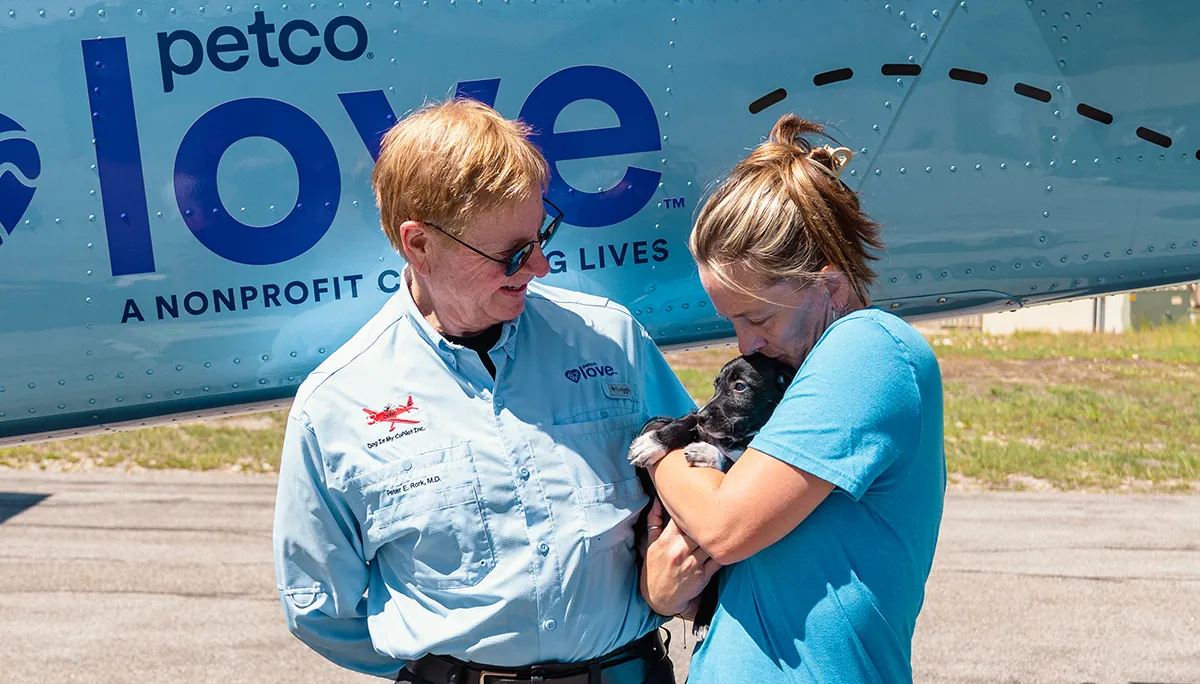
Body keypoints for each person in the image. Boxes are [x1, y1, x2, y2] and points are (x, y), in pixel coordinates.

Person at [271, 98, 695, 683]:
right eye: (511, 254)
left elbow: (705, 491)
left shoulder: (610, 340)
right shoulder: (336, 403)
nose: (540, 266)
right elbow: (318, 606)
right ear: (418, 244)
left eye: (541, 235)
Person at [640, 113, 946, 683]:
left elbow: (725, 526)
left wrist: (661, 454)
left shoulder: (868, 349)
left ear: (828, 286)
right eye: (734, 322)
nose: (745, 345)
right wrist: (664, 586)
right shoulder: (802, 376)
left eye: (757, 318)